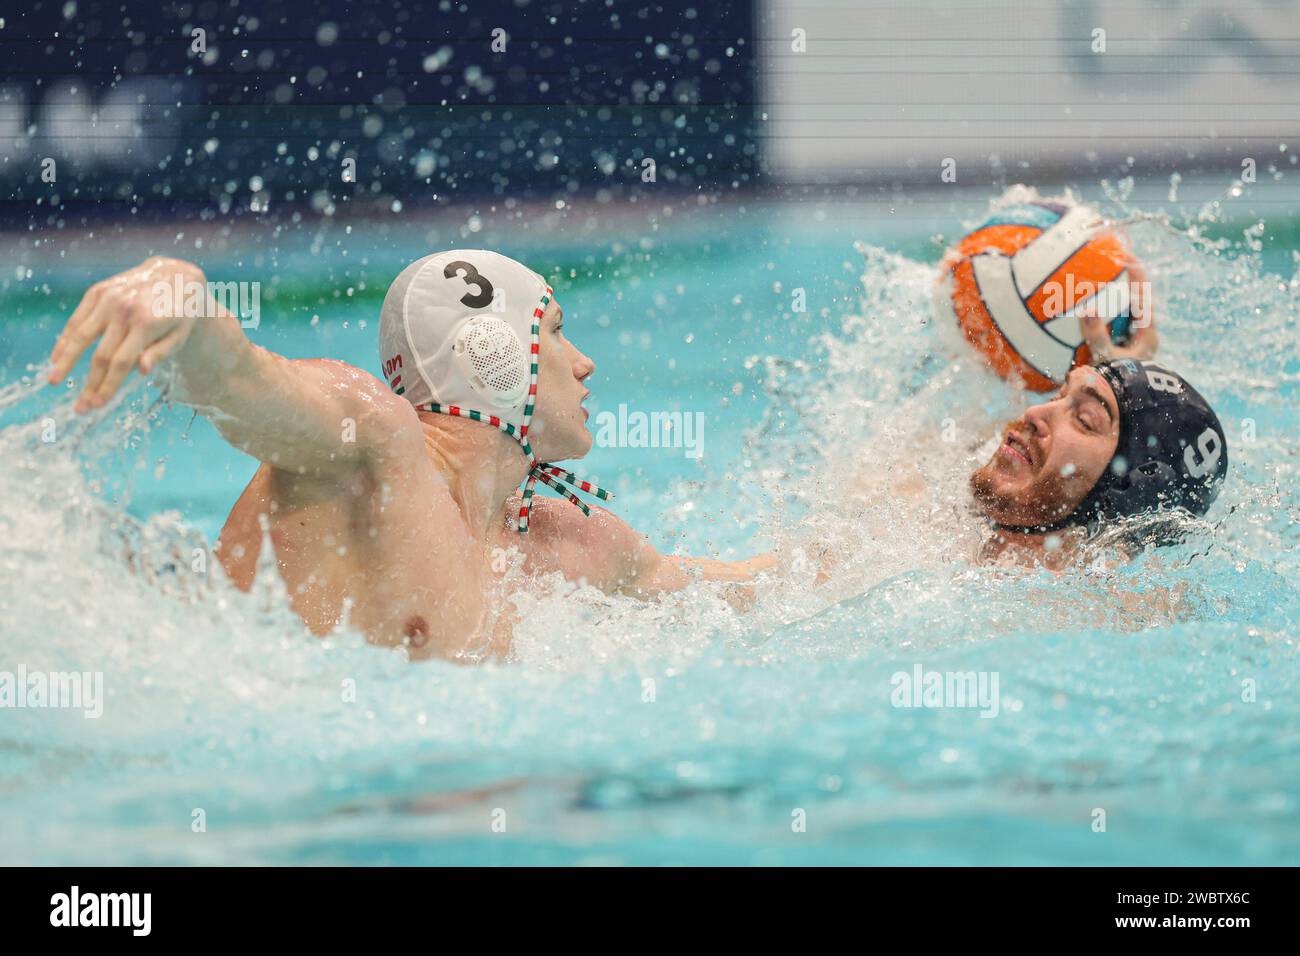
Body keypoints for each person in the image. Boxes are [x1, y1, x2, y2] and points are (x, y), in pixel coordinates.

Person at [46, 251, 775, 661]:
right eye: (554, 332)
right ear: (495, 354)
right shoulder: (369, 448)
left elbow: (759, 591)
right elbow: (243, 380)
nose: (583, 364)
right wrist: (185, 297)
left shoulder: (571, 544)